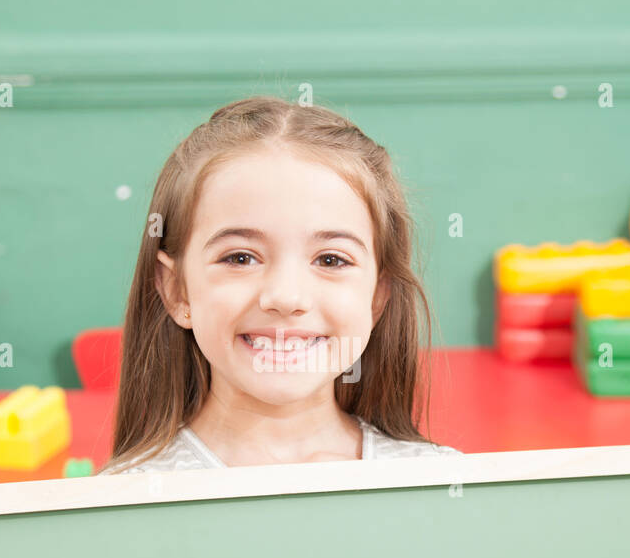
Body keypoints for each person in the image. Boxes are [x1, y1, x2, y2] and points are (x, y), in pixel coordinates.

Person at [98, 95, 460, 475]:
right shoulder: (123, 503)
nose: (286, 297)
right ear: (177, 290)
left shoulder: (440, 480)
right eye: (240, 258)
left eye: (331, 260)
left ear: (377, 297)